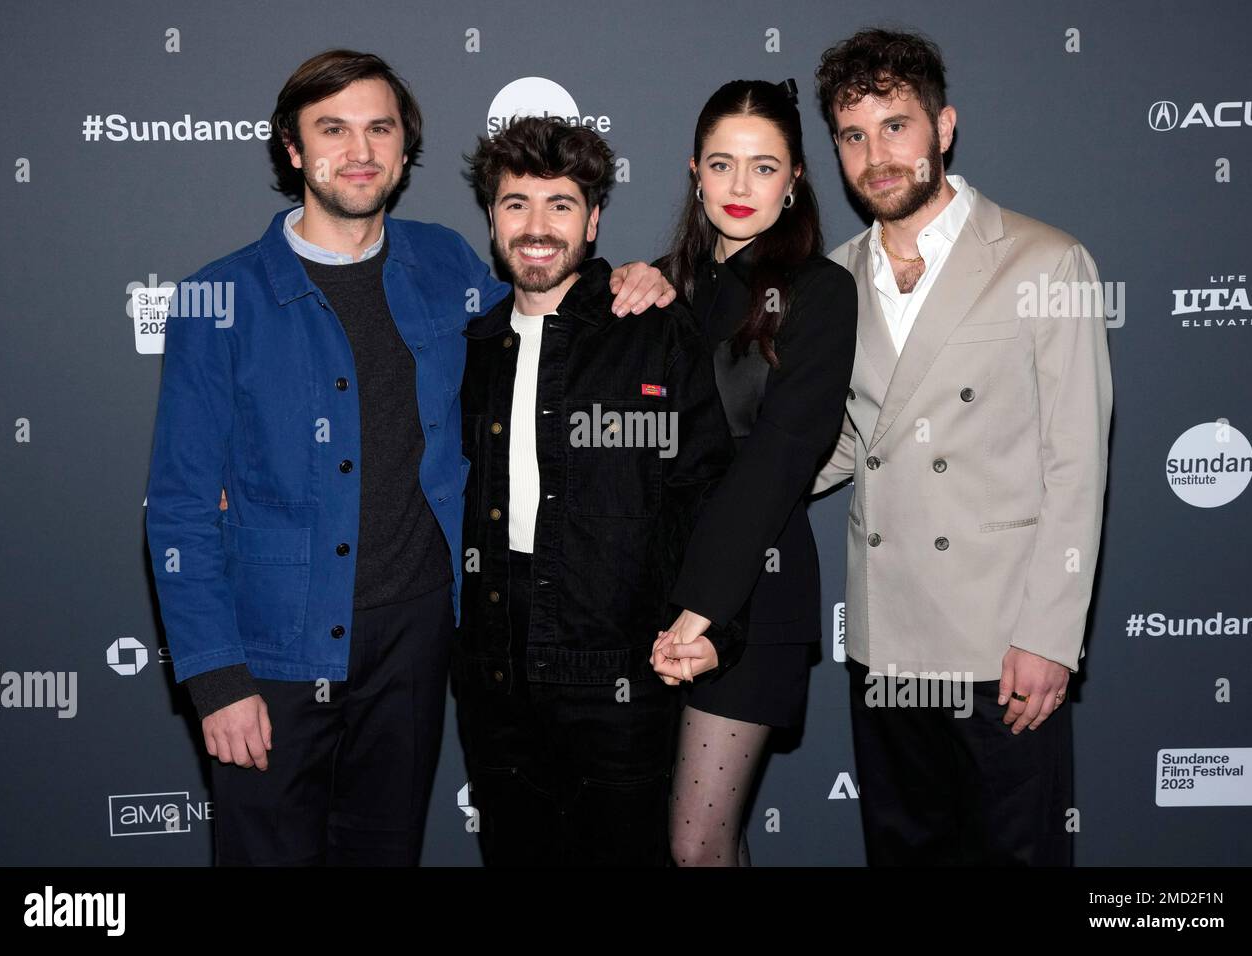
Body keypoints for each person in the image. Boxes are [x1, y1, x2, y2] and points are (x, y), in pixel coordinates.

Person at [145, 49, 673, 866]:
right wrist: (216, 678)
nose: (359, 149)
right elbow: (180, 505)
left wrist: (636, 279)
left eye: (378, 128)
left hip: (417, 641)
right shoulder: (220, 301)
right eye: (333, 129)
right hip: (275, 647)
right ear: (293, 149)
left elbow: (547, 303)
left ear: (402, 150)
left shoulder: (447, 267)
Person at [810, 28, 1113, 865]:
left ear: (943, 128)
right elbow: (842, 438)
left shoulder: (1044, 261)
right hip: (886, 639)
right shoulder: (833, 280)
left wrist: (1051, 636)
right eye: (853, 135)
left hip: (1000, 642)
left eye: (895, 125)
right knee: (904, 852)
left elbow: (1077, 462)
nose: (877, 154)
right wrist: (733, 478)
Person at [453, 115, 739, 866]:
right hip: (496, 678)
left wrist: (716, 629)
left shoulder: (650, 328)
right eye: (516, 204)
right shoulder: (476, 348)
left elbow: (710, 495)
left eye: (561, 205)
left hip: (619, 679)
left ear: (595, 219)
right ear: (491, 218)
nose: (537, 227)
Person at [650, 79, 858, 866]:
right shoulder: (668, 289)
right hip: (655, 587)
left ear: (796, 177)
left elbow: (781, 457)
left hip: (754, 586)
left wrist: (700, 609)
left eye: (764, 167)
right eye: (723, 164)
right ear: (694, 172)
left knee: (697, 845)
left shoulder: (820, 292)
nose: (741, 188)